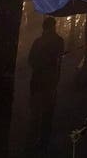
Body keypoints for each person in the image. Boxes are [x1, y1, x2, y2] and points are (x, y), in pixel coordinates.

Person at [27, 15, 65, 153]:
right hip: (49, 82)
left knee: (36, 112)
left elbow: (30, 60)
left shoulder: (38, 42)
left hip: (37, 81)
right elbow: (58, 62)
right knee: (46, 112)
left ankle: (33, 141)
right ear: (53, 26)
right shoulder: (59, 41)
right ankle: (43, 142)